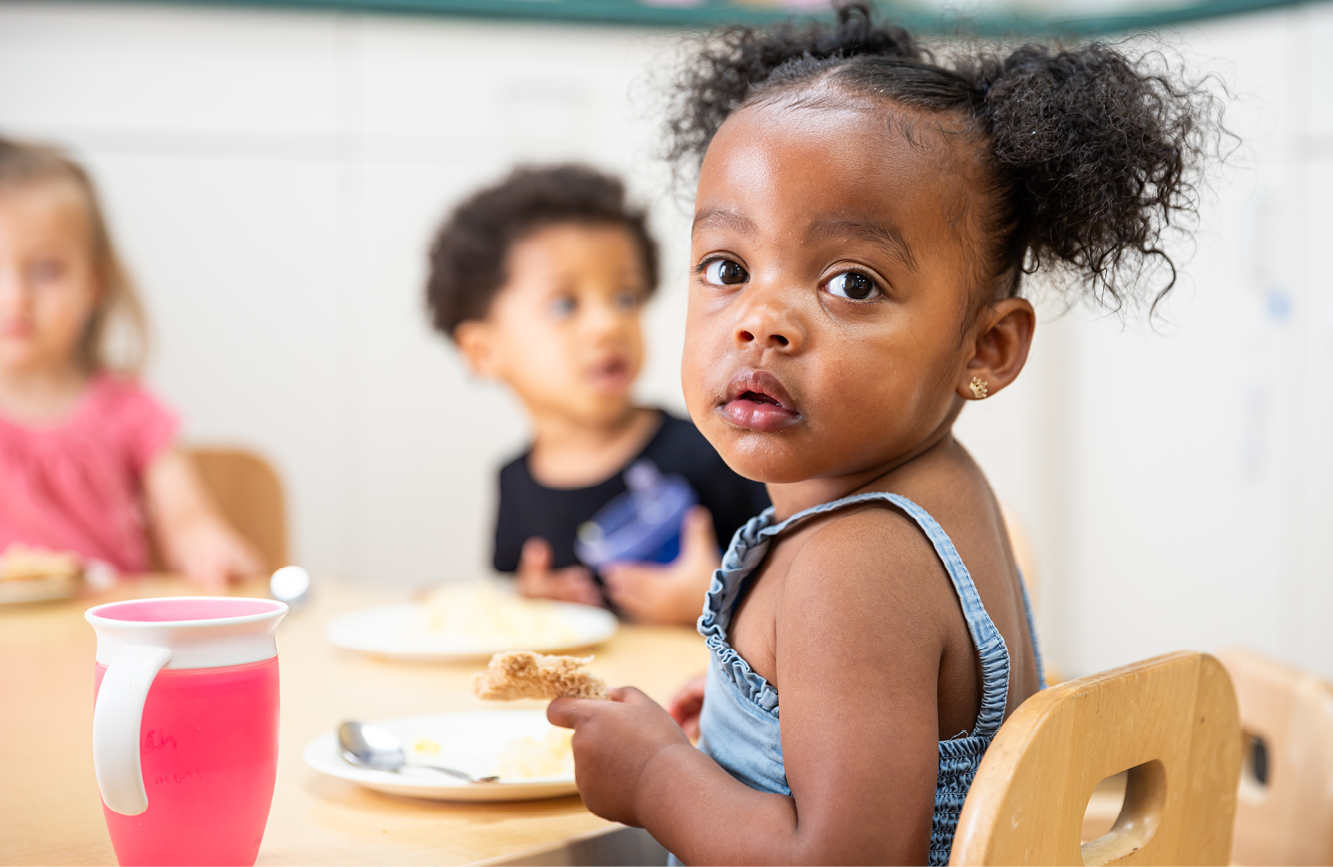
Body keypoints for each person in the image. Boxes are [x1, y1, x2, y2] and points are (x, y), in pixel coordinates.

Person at [545, 5, 1219, 863]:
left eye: (850, 283)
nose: (761, 321)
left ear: (986, 346)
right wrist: (733, 734)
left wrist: (656, 781)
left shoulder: (850, 564)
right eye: (727, 268)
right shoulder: (939, 488)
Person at [426, 164, 768, 625]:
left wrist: (712, 603)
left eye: (625, 298)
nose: (609, 323)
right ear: (483, 351)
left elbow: (795, 588)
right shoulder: (513, 483)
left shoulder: (712, 451)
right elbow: (520, 593)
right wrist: (534, 601)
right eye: (565, 304)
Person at [0, 137, 263, 586]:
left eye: (45, 270)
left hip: (115, 648)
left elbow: (188, 523)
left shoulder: (132, 412)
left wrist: (208, 547)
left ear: (95, 283)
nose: (15, 297)